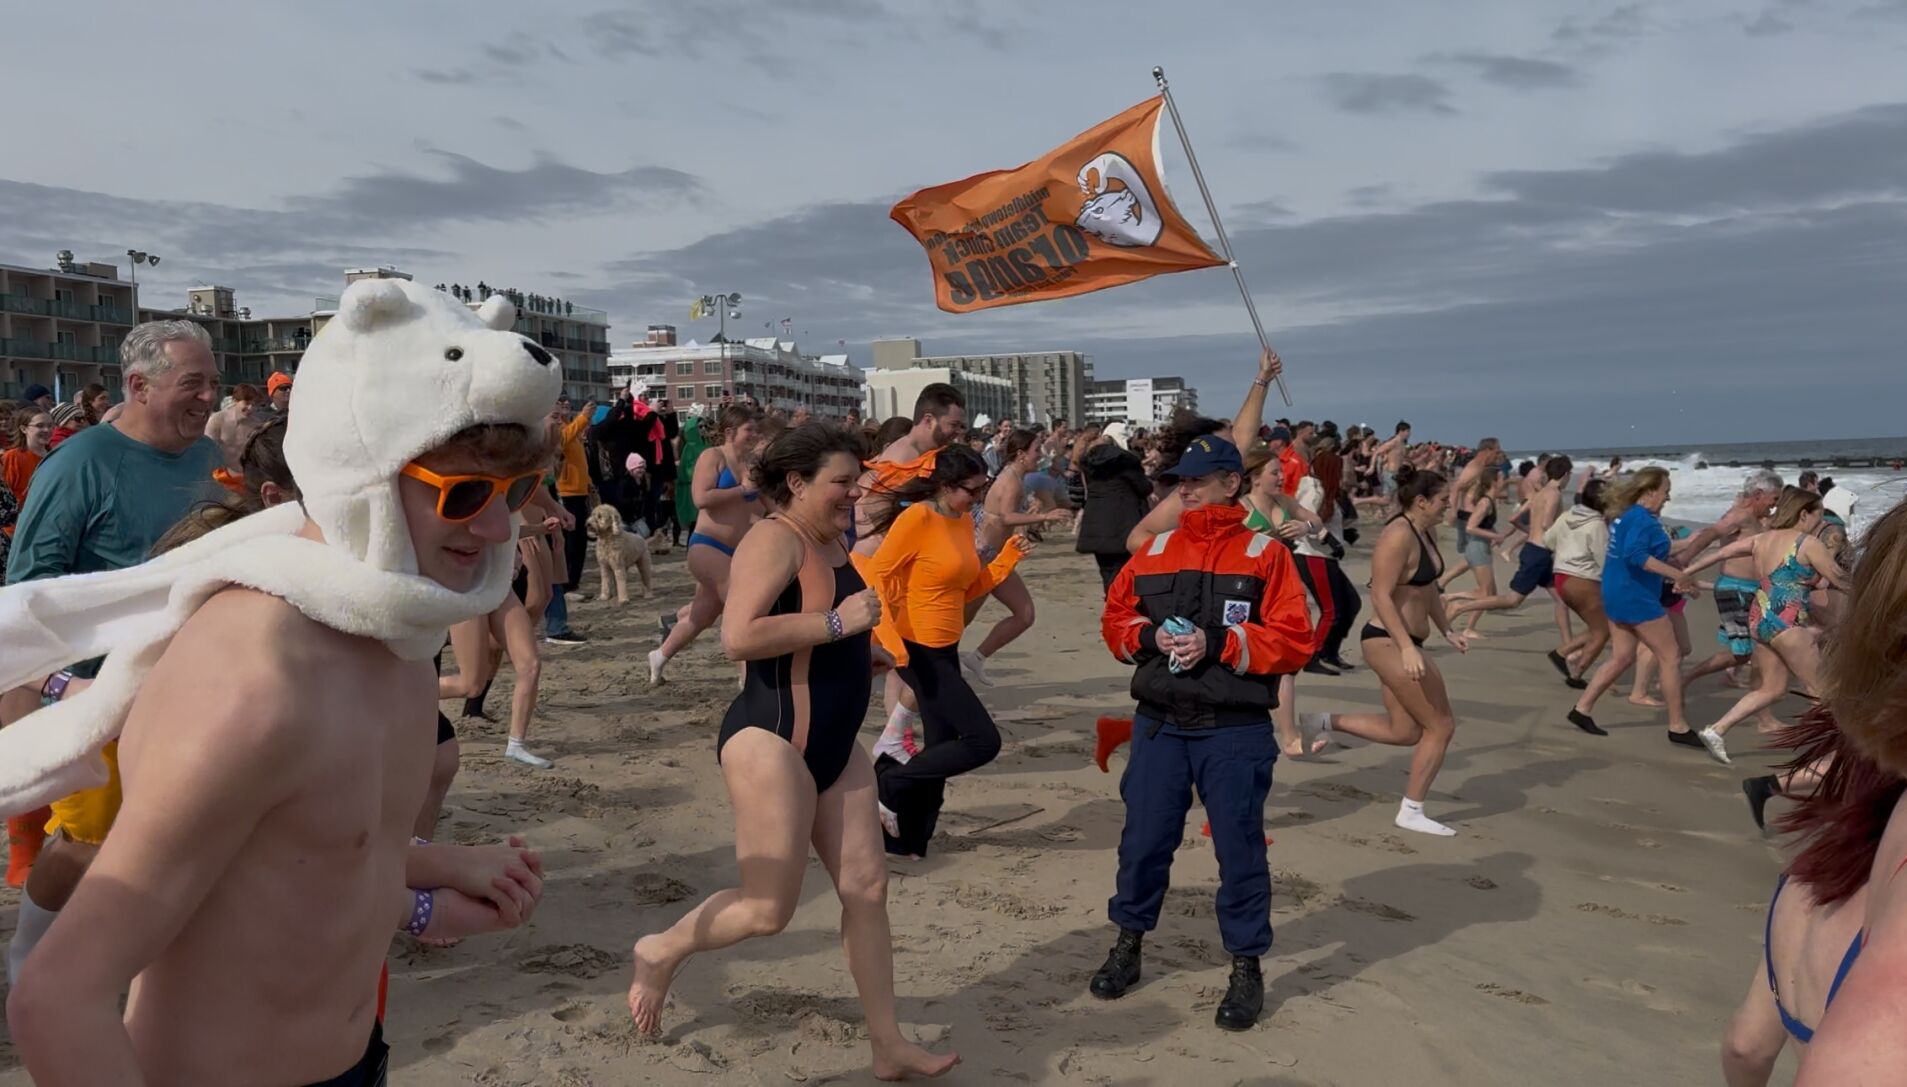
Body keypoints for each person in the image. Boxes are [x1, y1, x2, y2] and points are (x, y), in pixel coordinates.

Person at [2, 280, 548, 1083]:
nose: (499, 527)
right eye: (463, 493)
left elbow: (309, 852)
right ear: (361, 474)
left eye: (516, 491)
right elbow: (57, 994)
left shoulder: (395, 638)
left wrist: (432, 878)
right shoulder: (253, 684)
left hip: (359, 1057)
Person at [627, 424, 959, 1080]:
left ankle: (886, 1043)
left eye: (855, 479)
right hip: (768, 741)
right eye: (840, 481)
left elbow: (815, 627)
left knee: (866, 887)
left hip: (835, 742)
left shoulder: (830, 539)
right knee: (767, 909)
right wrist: (839, 623)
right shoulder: (771, 539)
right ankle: (660, 948)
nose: (853, 492)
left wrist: (856, 651)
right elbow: (738, 635)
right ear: (798, 482)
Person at [2, 320, 224, 980]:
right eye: (193, 383)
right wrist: (55, 687)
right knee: (88, 838)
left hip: (194, 685)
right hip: (96, 690)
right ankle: (30, 959)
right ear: (138, 385)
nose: (208, 396)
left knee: (183, 829)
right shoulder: (78, 464)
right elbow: (29, 592)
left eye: (212, 383)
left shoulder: (208, 459)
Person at [1090, 434, 1312, 1031]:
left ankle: (1246, 965)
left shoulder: (1266, 553)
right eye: (1176, 481)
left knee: (1239, 852)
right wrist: (1147, 637)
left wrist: (1223, 643)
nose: (1182, 489)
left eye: (1194, 480)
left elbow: (1296, 638)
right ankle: (1128, 946)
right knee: (1142, 845)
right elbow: (1115, 618)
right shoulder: (1156, 548)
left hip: (1234, 730)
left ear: (1231, 483)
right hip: (1159, 725)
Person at [865, 445, 1028, 858]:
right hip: (918, 650)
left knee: (941, 747)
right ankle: (888, 783)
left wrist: (1005, 559)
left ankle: (907, 841)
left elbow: (964, 588)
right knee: (982, 741)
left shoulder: (958, 522)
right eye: (970, 491)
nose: (976, 498)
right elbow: (877, 578)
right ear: (944, 485)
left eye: (980, 489)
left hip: (945, 646)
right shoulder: (917, 517)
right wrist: (891, 643)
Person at [1298, 466, 1473, 835]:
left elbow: (1428, 591)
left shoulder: (1425, 532)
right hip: (1388, 641)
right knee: (1440, 725)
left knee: (1405, 730)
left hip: (1407, 642)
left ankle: (1323, 722)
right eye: (1443, 500)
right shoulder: (1397, 535)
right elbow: (1379, 592)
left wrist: (1448, 630)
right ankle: (1411, 811)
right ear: (1422, 501)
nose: (1447, 506)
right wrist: (1408, 647)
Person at [1677, 487, 1849, 764]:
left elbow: (1721, 554)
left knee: (1772, 689)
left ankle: (1716, 730)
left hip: (1760, 619)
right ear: (1804, 514)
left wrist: (1684, 573)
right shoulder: (1808, 543)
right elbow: (1840, 579)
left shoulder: (1762, 539)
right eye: (1818, 514)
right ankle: (1829, 754)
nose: (1821, 521)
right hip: (1788, 622)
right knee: (1822, 692)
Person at [1564, 467, 1696, 741]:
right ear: (1649, 492)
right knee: (1670, 657)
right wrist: (1678, 574)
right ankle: (1677, 726)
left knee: (1622, 657)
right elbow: (1637, 556)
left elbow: (1641, 552)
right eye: (1665, 492)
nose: (1667, 498)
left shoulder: (1626, 517)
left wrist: (1686, 551)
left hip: (1615, 592)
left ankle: (1582, 708)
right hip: (1635, 597)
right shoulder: (1643, 520)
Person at [650, 404, 762, 684]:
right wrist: (743, 490)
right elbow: (702, 498)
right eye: (749, 430)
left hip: (736, 552)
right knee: (743, 607)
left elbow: (763, 504)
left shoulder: (750, 465)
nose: (754, 435)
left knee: (702, 615)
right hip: (707, 545)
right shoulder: (712, 456)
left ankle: (659, 656)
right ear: (729, 432)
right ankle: (748, 680)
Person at [963, 429, 1074, 685]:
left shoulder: (1014, 476)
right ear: (1022, 454)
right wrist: (1044, 516)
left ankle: (975, 659)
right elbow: (1006, 517)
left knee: (1024, 614)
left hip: (996, 558)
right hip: (983, 560)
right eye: (1037, 450)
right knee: (959, 621)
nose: (1041, 455)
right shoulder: (1011, 479)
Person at [1447, 456, 1574, 630]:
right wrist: (1568, 538)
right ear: (1566, 474)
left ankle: (1568, 648)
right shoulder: (1554, 493)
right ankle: (1460, 607)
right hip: (1539, 554)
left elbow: (1514, 519)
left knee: (1561, 601)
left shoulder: (1539, 494)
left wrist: (1530, 533)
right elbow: (1547, 524)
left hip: (1535, 550)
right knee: (1512, 600)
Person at [1543, 478, 1613, 688]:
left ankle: (1562, 653)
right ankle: (1575, 673)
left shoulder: (1567, 516)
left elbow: (1548, 540)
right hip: (1583, 581)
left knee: (1596, 626)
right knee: (1603, 631)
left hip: (1561, 578)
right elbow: (1603, 562)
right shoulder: (1597, 525)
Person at [545, 393, 598, 646]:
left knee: (578, 543)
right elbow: (562, 441)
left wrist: (588, 484)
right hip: (563, 492)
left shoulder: (571, 427)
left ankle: (571, 585)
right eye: (559, 406)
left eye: (566, 405)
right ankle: (565, 589)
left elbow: (579, 459)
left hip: (577, 490)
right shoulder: (560, 429)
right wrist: (583, 418)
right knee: (568, 544)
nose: (563, 409)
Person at [1076, 424, 1152, 593]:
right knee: (1125, 574)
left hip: (1096, 521)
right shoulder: (1126, 459)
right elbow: (1144, 488)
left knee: (1107, 573)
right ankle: (1119, 611)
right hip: (1123, 522)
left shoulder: (1088, 459)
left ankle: (1112, 607)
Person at [205, 383, 268, 470]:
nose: (250, 408)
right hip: (221, 474)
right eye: (247, 403)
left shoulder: (256, 424)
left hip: (245, 474)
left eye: (254, 405)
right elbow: (207, 450)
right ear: (235, 400)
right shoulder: (217, 420)